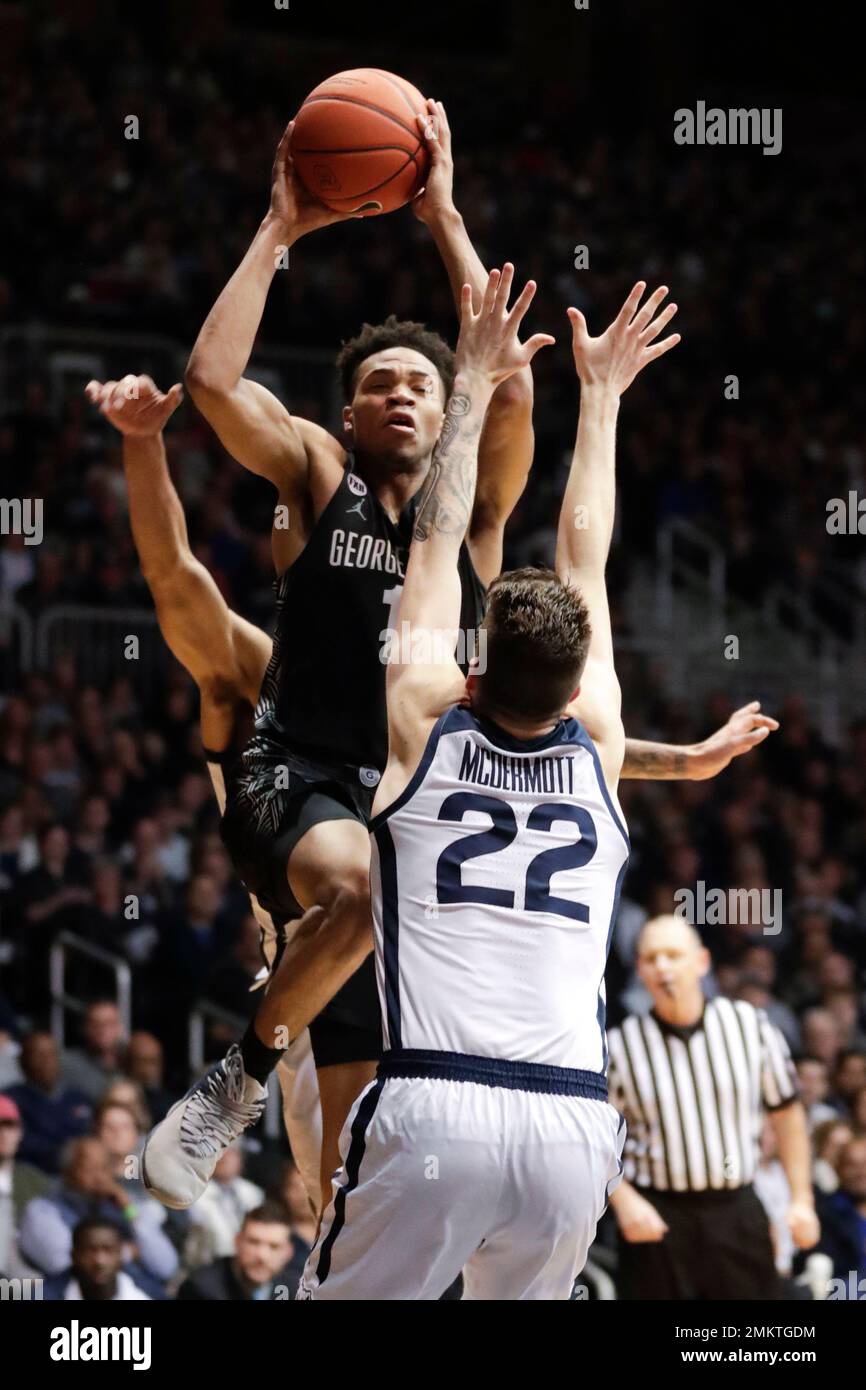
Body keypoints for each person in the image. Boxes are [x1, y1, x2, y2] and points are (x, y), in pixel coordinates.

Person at [136, 107, 778, 1215]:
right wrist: (279, 227)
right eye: (378, 380)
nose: (399, 390)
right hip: (299, 773)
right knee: (358, 888)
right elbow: (209, 381)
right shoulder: (313, 471)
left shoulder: (470, 523)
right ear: (347, 407)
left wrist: (441, 214)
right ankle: (227, 1086)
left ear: (448, 414)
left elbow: (514, 398)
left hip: (410, 804)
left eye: (422, 382)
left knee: (354, 1182)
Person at [289, 270, 683, 1298]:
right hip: (569, 1124)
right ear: (578, 671)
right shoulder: (597, 736)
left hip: (436, 1106)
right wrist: (599, 399)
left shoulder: (423, 716)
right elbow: (584, 554)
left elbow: (433, 535)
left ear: (473, 666)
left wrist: (469, 385)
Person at [82, 374, 323, 1210]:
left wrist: (677, 761)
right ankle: (229, 1091)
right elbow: (174, 577)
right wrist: (144, 445)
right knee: (355, 1227)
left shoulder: (413, 684)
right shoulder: (260, 678)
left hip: (437, 990)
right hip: (317, 1001)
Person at [607, 914, 820, 1300]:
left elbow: (788, 1116)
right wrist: (623, 1199)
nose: (663, 967)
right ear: (639, 969)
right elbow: (595, 1140)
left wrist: (801, 1198)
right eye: (652, 958)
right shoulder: (620, 1046)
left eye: (674, 955)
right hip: (657, 1214)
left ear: (702, 962)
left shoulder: (749, 1026)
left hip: (735, 1209)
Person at [17, 1135, 177, 1291]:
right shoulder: (43, 1211)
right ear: (68, 1173)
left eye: (104, 1168)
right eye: (89, 1169)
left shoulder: (122, 1205)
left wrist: (129, 1210)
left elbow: (166, 1266)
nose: (99, 1178)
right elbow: (65, 1265)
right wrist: (127, 1252)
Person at [3, 1032, 92, 1174]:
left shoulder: (79, 1099)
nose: (46, 1060)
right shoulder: (9, 1101)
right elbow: (19, 1144)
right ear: (23, 1061)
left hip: (81, 1176)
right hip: (28, 1177)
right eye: (38, 1054)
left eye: (51, 1054)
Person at [176, 1201, 297, 1300]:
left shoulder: (297, 1290)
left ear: (288, 1252)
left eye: (274, 1246)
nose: (262, 1255)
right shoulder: (202, 1287)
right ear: (237, 1241)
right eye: (253, 1242)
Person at [0, 1092, 52, 1277]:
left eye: (9, 1126)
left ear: (20, 1131)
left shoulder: (35, 1179)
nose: (3, 1134)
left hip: (40, 1275)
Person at [41, 1217, 151, 1301]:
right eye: (90, 1251)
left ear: (121, 1254)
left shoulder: (148, 1293)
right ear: (74, 1256)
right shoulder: (43, 1294)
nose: (99, 1261)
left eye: (108, 1250)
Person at [61, 1000, 126, 1102]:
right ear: (84, 1028)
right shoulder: (66, 1064)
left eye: (109, 1023)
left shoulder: (132, 1059)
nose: (102, 1030)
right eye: (95, 1024)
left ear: (120, 1028)